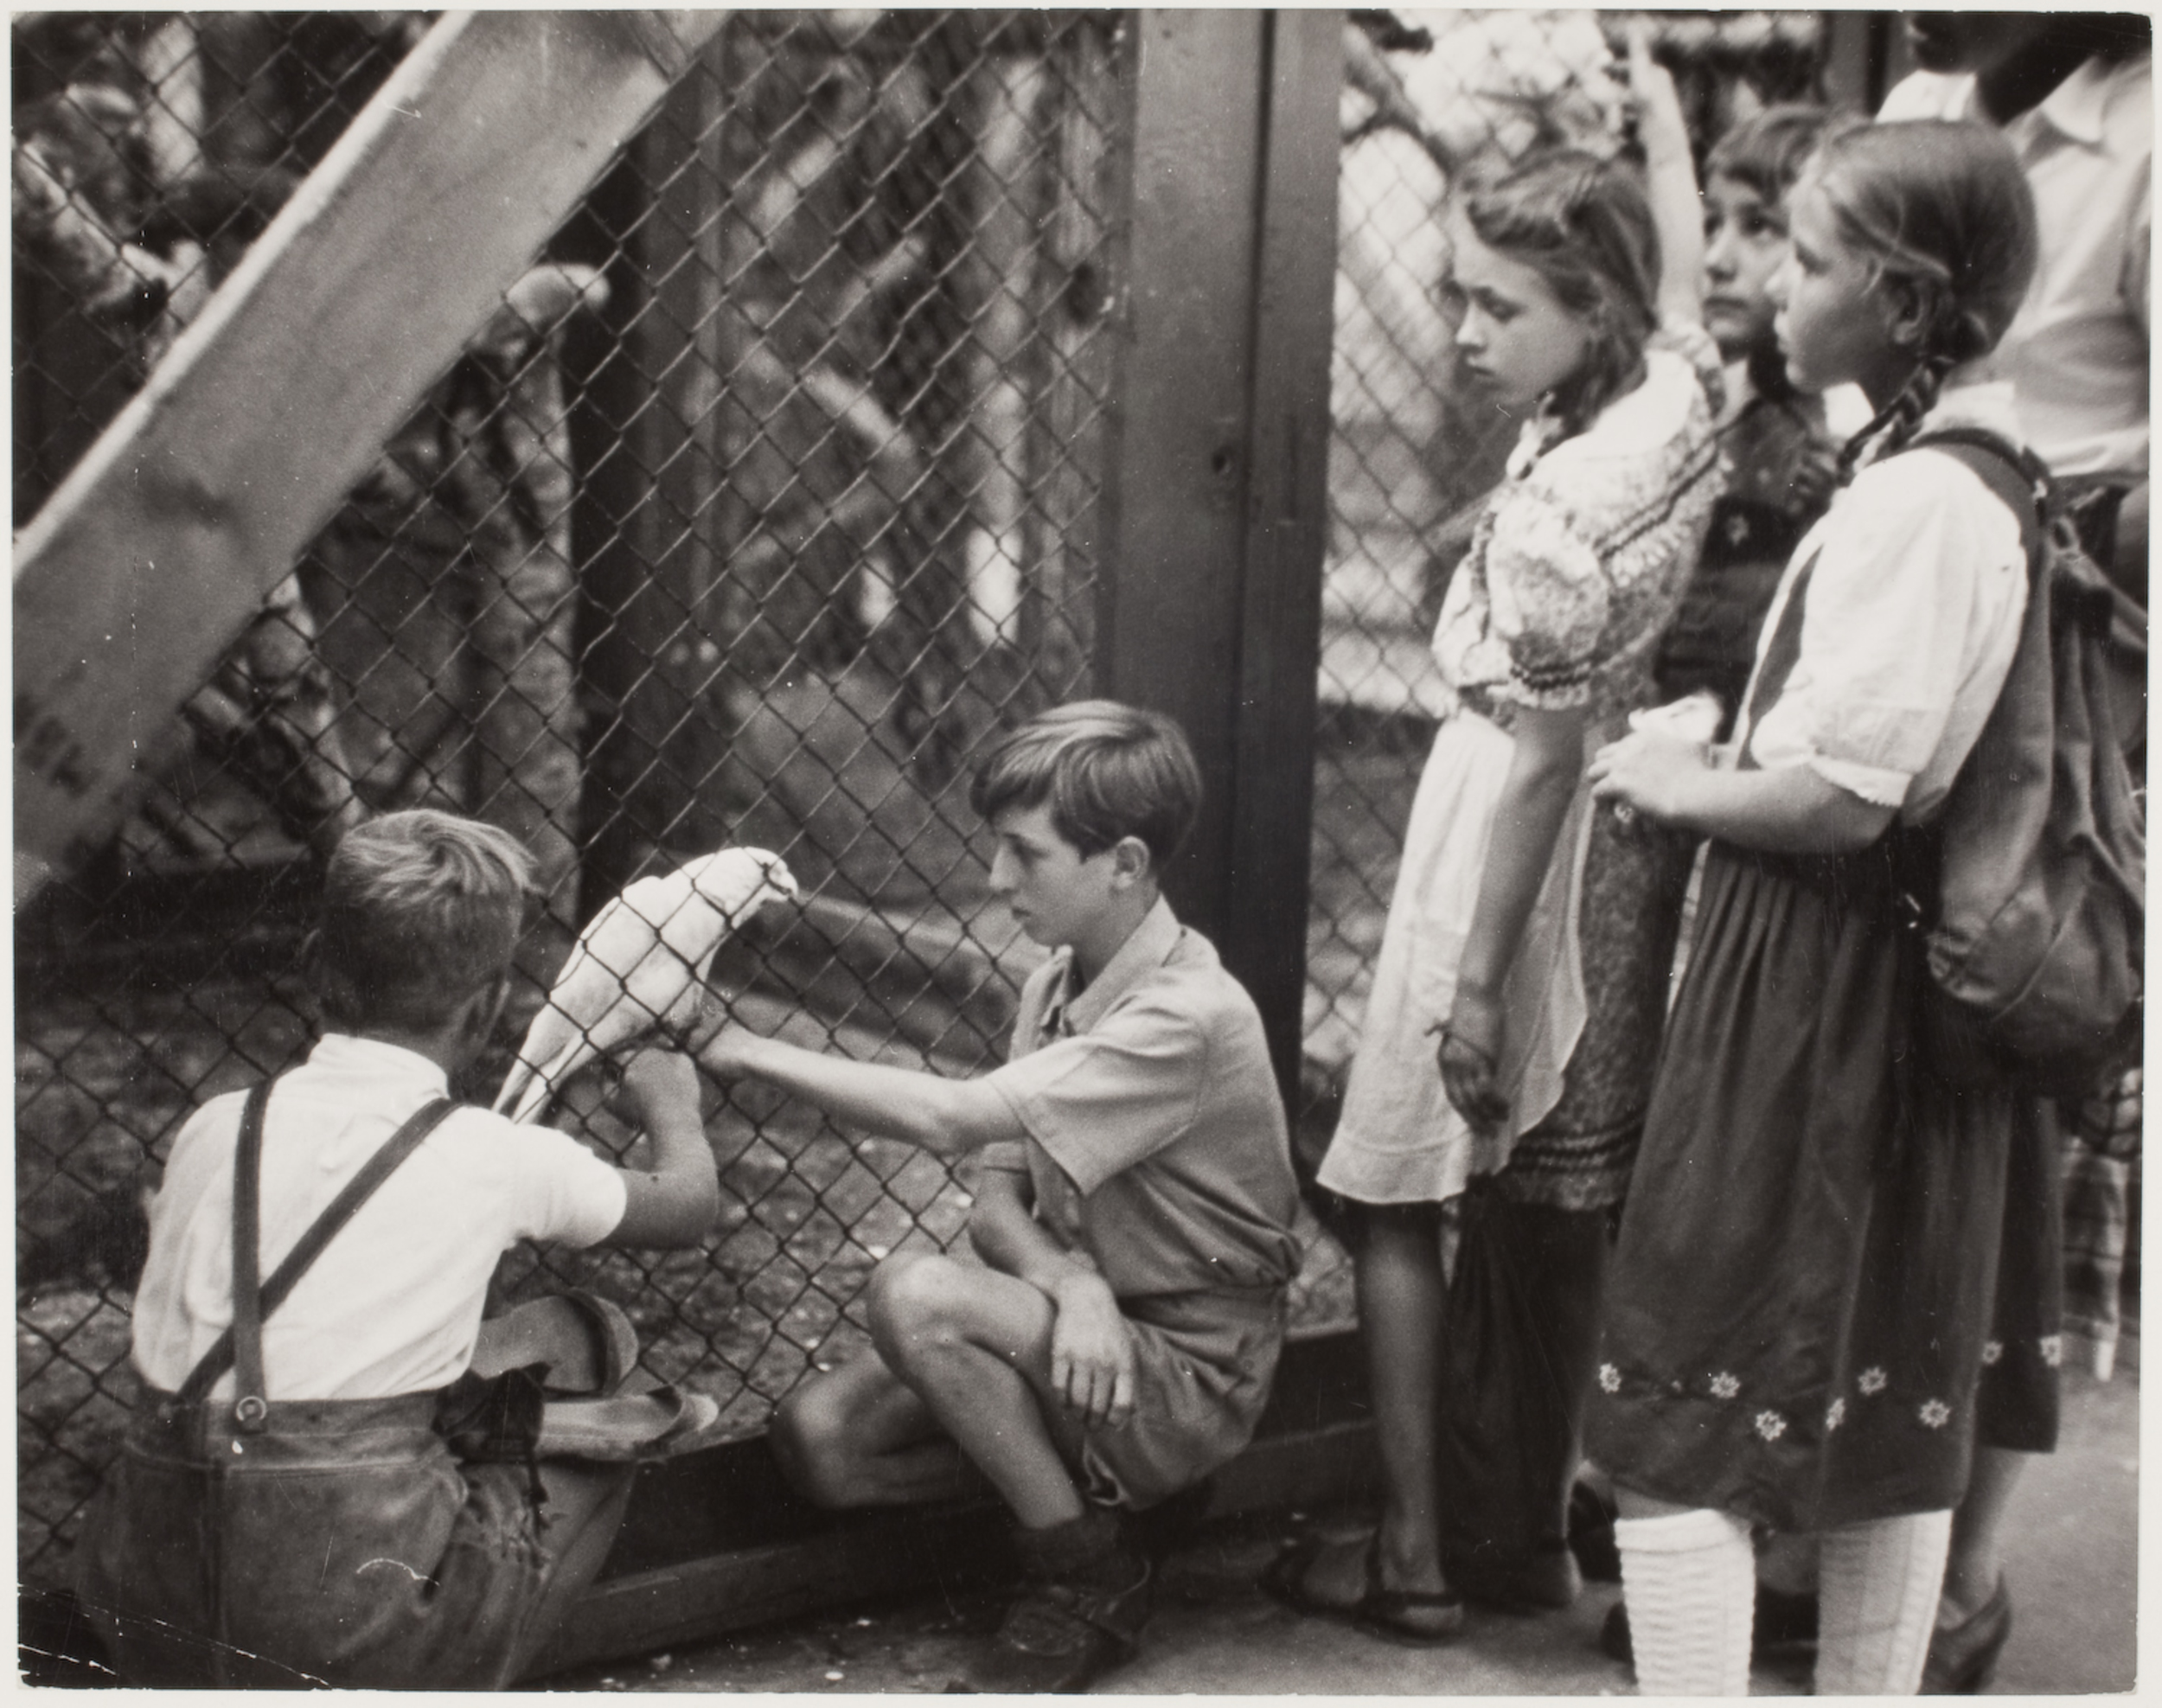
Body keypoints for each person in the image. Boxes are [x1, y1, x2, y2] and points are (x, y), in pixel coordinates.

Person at [1585, 118, 2039, 1695]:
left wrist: (1671, 785)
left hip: (1822, 980)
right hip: (1893, 984)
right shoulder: (1975, 473)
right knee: (1884, 1398)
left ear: (1905, 300)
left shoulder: (1921, 503)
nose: (1777, 281)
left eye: (1812, 254)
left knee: (1677, 1401)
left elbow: (1847, 793)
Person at [1270, 87, 1724, 1640]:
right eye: (1462, 290)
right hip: (1617, 807)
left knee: (1393, 1186)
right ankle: (1527, 1536)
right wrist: (1654, 120)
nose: (1463, 329)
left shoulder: (1559, 518)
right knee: (1550, 1196)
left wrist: (1471, 988)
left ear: (1584, 304)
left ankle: (1410, 1556)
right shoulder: (1668, 390)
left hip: (1517, 812)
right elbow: (1685, 284)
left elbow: (1531, 758)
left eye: (1494, 303)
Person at [701, 700, 1301, 1695]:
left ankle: (1083, 1569)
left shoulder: (1187, 1015)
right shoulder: (1056, 982)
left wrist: (737, 1044)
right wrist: (1075, 1284)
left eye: (1026, 854)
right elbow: (992, 1206)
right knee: (822, 1446)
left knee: (917, 1295)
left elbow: (952, 1119)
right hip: (1080, 1330)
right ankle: (1101, 1510)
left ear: (1125, 864)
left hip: (1186, 1372)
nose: (994, 878)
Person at [74, 809, 725, 1687]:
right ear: (490, 1005)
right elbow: (687, 1205)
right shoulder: (487, 1152)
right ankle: (465, 1667)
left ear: (317, 968)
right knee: (599, 1357)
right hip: (339, 1623)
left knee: (564, 1334)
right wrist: (669, 1100)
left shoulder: (214, 1127)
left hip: (144, 1597)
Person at [1877, 18, 2150, 1688]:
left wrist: (2059, 533)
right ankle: (1859, 1533)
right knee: (1890, 1091)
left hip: (2076, 675)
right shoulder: (1929, 98)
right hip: (1921, 634)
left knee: (2022, 1092)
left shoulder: (2144, 132)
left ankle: (1962, 1578)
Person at [1656, 103, 1856, 730]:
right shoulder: (1703, 392)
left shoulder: (1838, 423)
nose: (1717, 258)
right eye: (1714, 224)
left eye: (1759, 228)